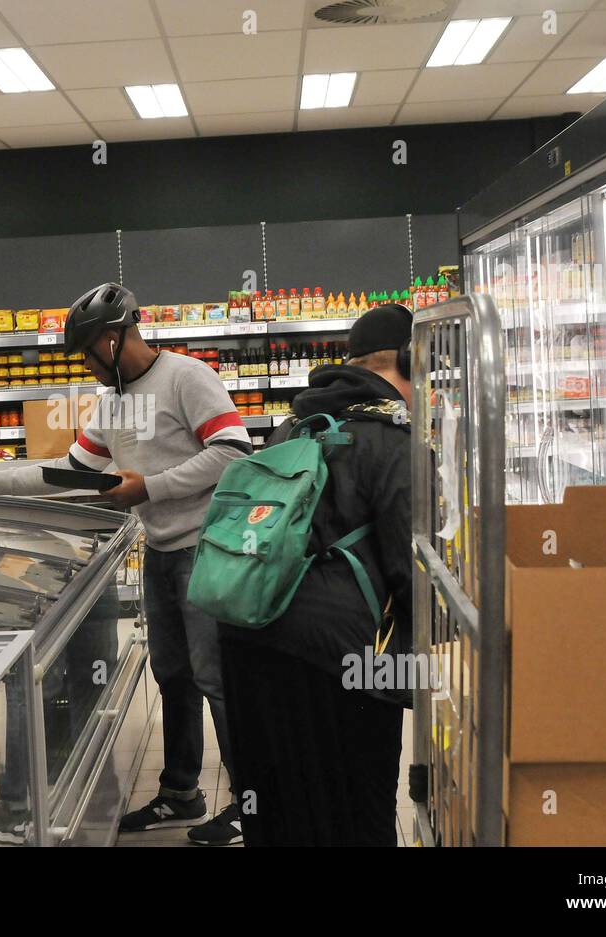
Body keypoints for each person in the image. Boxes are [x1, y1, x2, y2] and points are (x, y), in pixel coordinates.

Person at [0, 282, 251, 846]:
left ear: (110, 341)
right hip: (160, 554)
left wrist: (149, 487)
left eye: (86, 352)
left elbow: (233, 450)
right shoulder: (111, 403)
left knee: (217, 680)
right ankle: (182, 792)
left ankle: (253, 807)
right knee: (174, 676)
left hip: (207, 551)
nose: (85, 364)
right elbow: (72, 470)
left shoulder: (186, 377)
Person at [218, 303, 414, 847]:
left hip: (249, 635)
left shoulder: (292, 427)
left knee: (280, 808)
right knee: (360, 809)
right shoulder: (393, 439)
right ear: (405, 361)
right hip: (342, 660)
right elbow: (410, 568)